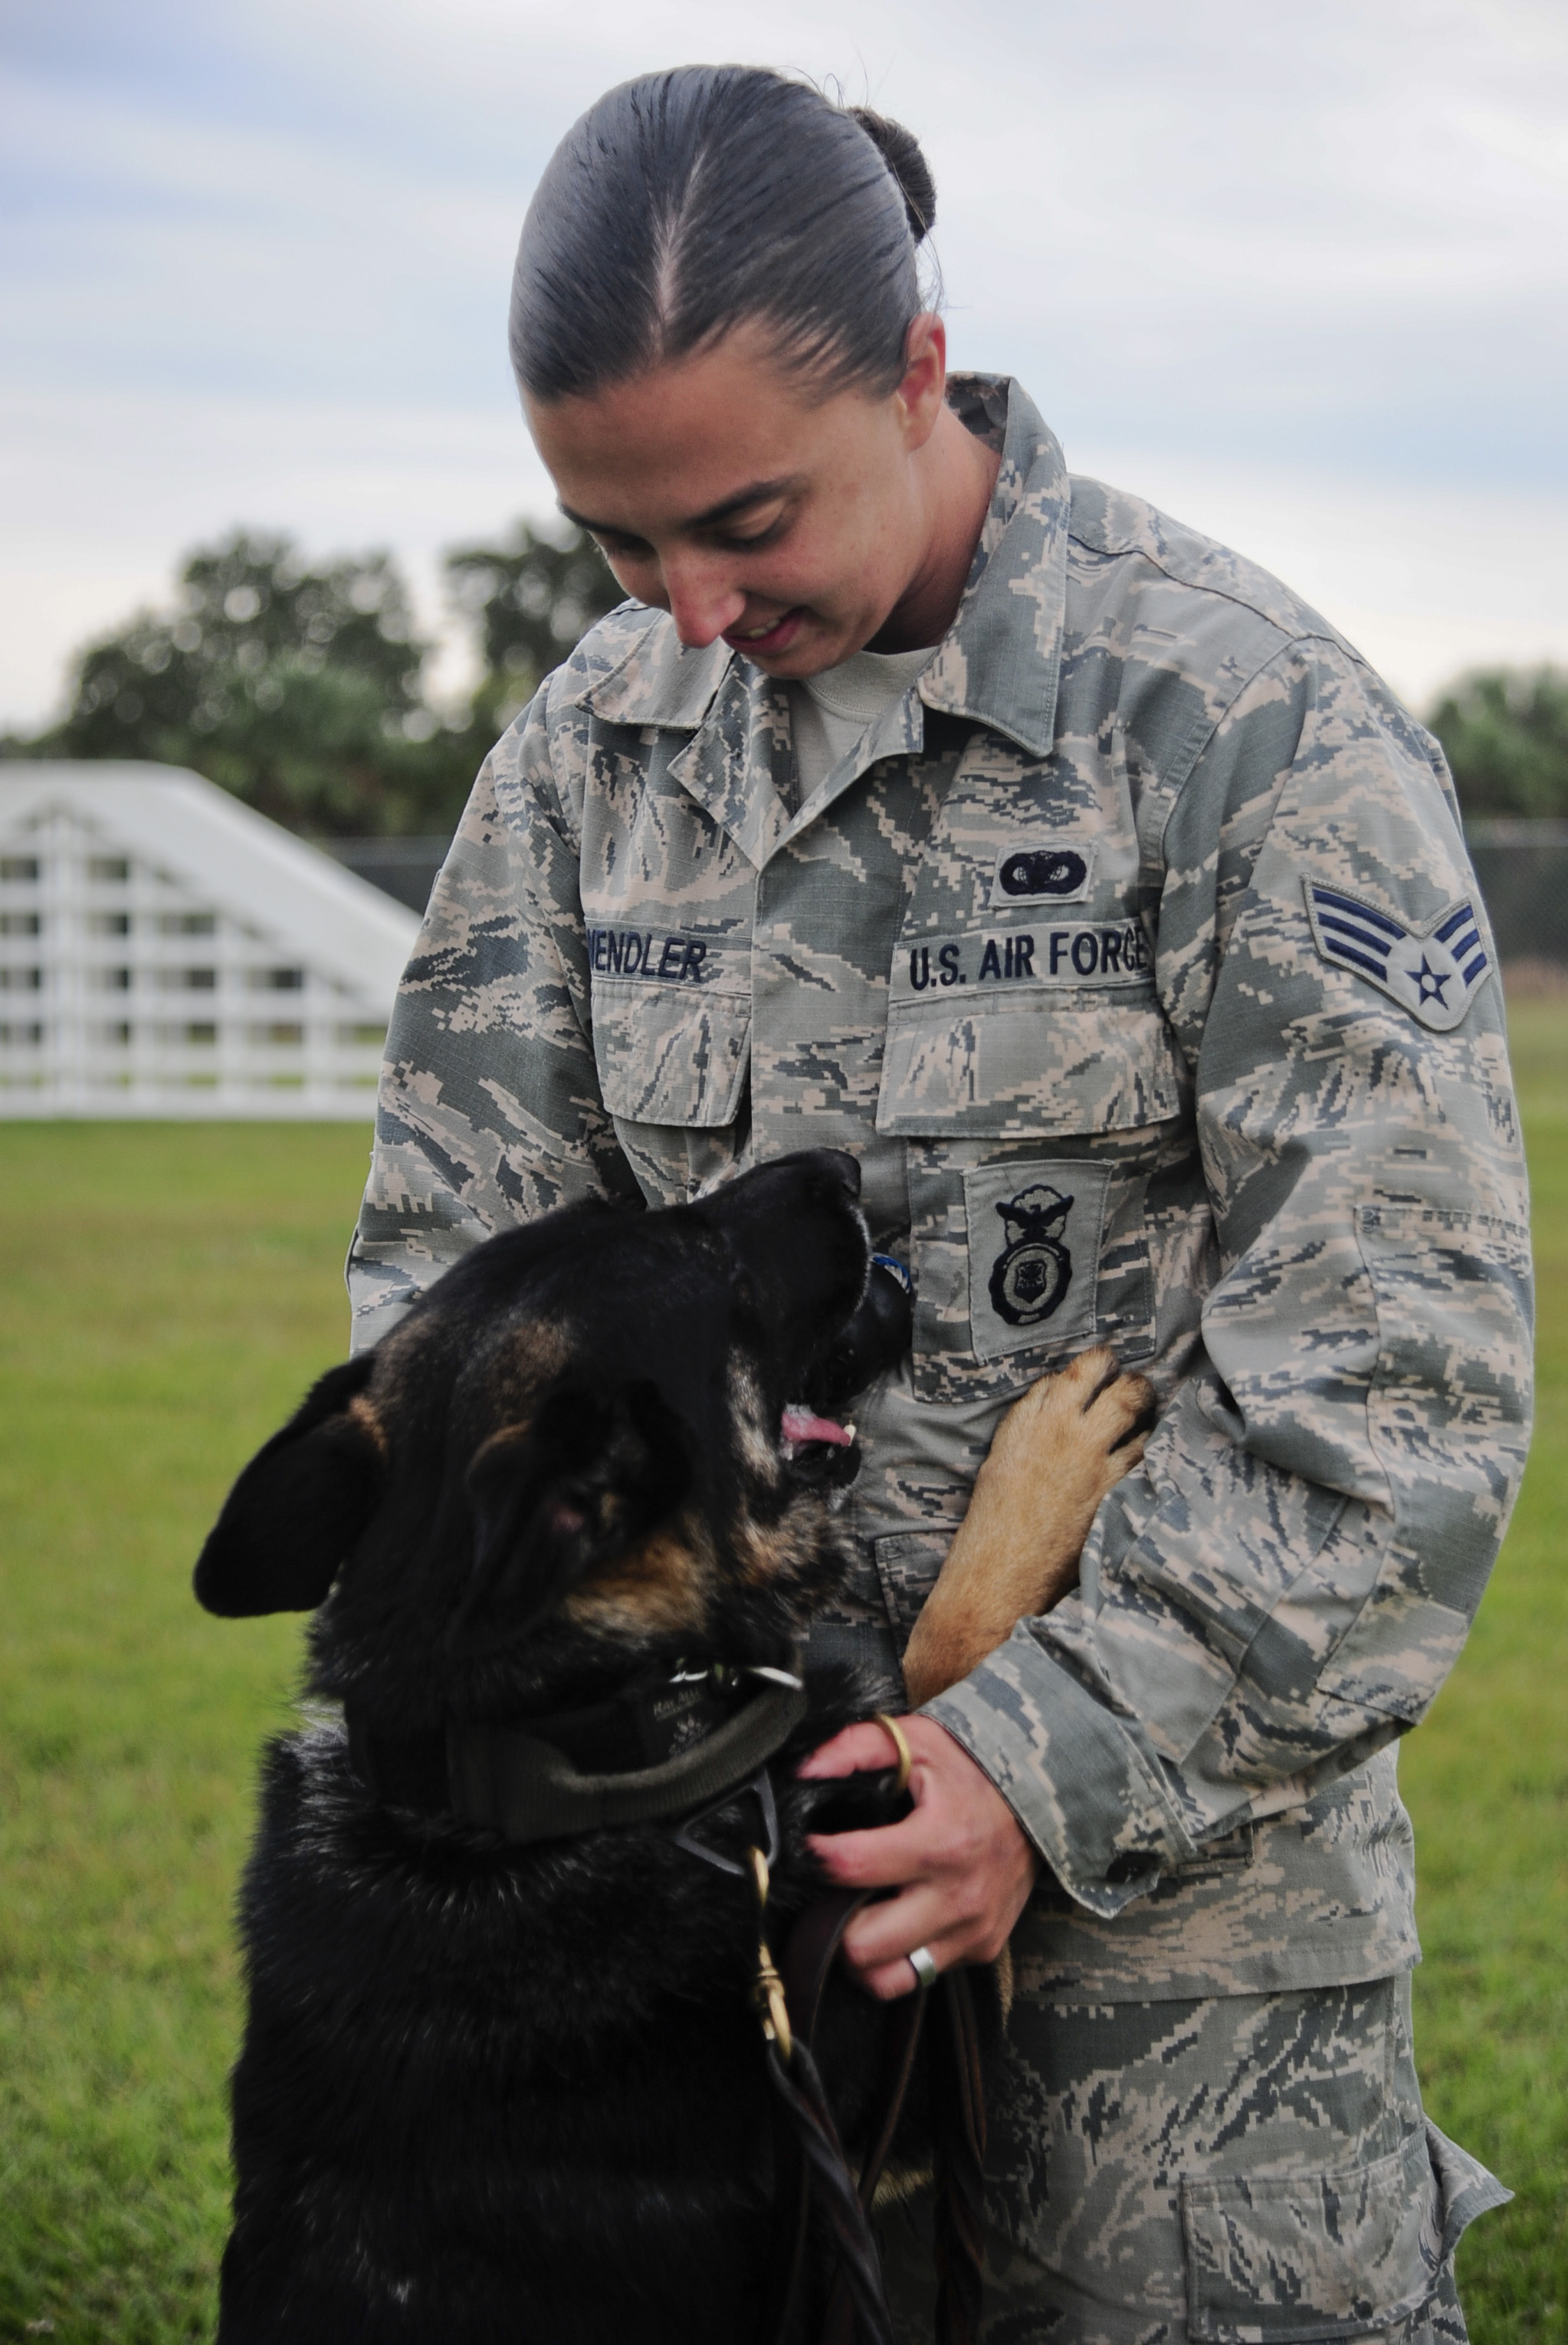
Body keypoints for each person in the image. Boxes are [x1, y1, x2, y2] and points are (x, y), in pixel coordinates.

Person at [346, 65, 1531, 2343]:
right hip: (708, 1937)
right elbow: (453, 1305)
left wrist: (1022, 1757)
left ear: (917, 367)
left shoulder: (1247, 727)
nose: (691, 614)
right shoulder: (589, 756)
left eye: (746, 522)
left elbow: (1399, 1394)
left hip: (1173, 1971)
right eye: (618, 543)